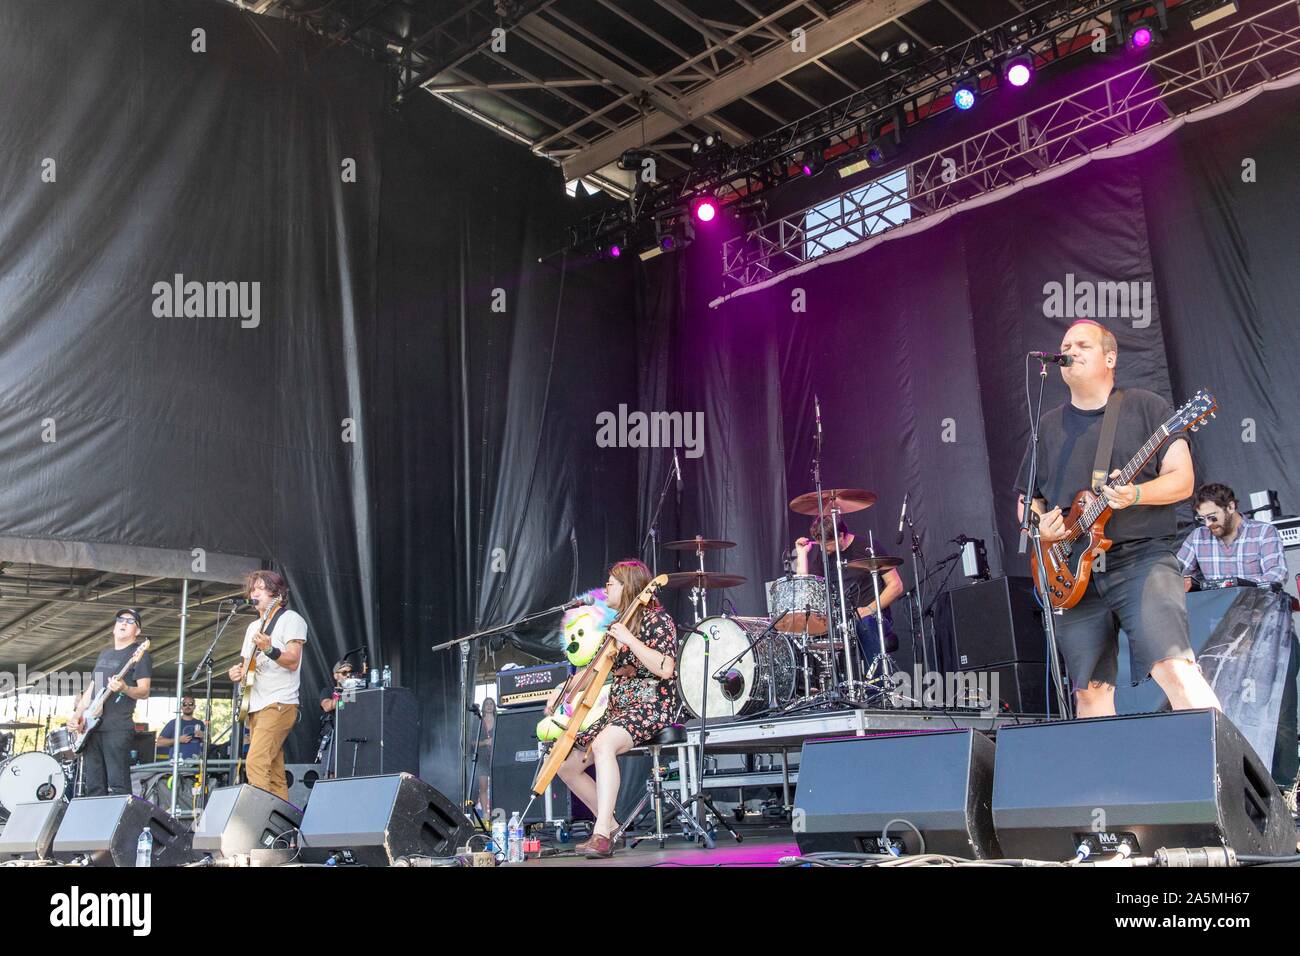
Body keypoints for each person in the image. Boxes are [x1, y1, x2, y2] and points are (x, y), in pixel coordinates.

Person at [1015, 319, 1221, 718]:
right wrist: (1039, 526)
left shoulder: (1147, 407)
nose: (1069, 350)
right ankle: (1104, 780)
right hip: (1071, 574)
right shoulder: (1047, 426)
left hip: (1141, 558)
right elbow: (1027, 501)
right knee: (1089, 694)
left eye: (1082, 345)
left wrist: (1136, 493)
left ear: (1110, 358)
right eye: (1065, 345)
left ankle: (1225, 777)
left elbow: (1183, 479)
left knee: (1174, 668)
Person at [550, 560, 679, 859]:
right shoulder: (615, 626)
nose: (606, 587)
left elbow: (665, 668)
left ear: (629, 586)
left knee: (604, 743)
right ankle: (611, 827)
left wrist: (630, 640)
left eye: (612, 582)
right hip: (619, 712)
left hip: (651, 706)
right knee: (566, 765)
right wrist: (562, 691)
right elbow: (594, 671)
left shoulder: (658, 621)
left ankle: (600, 834)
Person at [227, 570, 307, 801]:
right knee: (273, 771)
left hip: (280, 702)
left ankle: (258, 821)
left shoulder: (291, 619)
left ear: (277, 593)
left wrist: (269, 648)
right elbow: (247, 669)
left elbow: (292, 661)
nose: (254, 593)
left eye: (260, 588)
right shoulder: (253, 627)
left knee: (256, 762)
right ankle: (284, 831)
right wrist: (238, 672)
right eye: (252, 589)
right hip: (256, 705)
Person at [794, 514, 904, 656]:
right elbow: (805, 587)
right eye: (820, 544)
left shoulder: (868, 547)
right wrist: (802, 555)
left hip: (874, 618)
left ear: (841, 536)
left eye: (826, 544)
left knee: (865, 625)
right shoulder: (824, 556)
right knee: (812, 633)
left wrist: (870, 609)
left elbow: (896, 585)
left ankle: (877, 678)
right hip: (842, 622)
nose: (822, 549)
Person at [69, 609, 153, 796]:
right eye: (120, 620)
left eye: (131, 621)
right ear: (114, 627)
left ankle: (121, 825)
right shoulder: (105, 655)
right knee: (94, 785)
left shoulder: (139, 654)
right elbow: (91, 691)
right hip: (92, 729)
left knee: (118, 784)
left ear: (137, 632)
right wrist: (76, 716)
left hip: (117, 728)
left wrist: (125, 688)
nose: (124, 623)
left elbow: (144, 691)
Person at [1178, 482, 1288, 589]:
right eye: (1201, 519)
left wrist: (1239, 586)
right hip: (1218, 606)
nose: (1208, 524)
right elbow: (1176, 573)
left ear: (1231, 507)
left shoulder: (1264, 532)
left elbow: (1277, 574)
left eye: (1212, 517)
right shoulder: (1197, 536)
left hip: (1257, 605)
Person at [476, 698, 496, 816]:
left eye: (491, 703)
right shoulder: (478, 722)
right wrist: (485, 742)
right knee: (483, 787)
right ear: (483, 707)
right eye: (486, 704)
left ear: (494, 706)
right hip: (483, 758)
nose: (489, 706)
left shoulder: (499, 720)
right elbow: (471, 743)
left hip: (496, 757)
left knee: (497, 785)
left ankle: (498, 812)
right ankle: (485, 815)